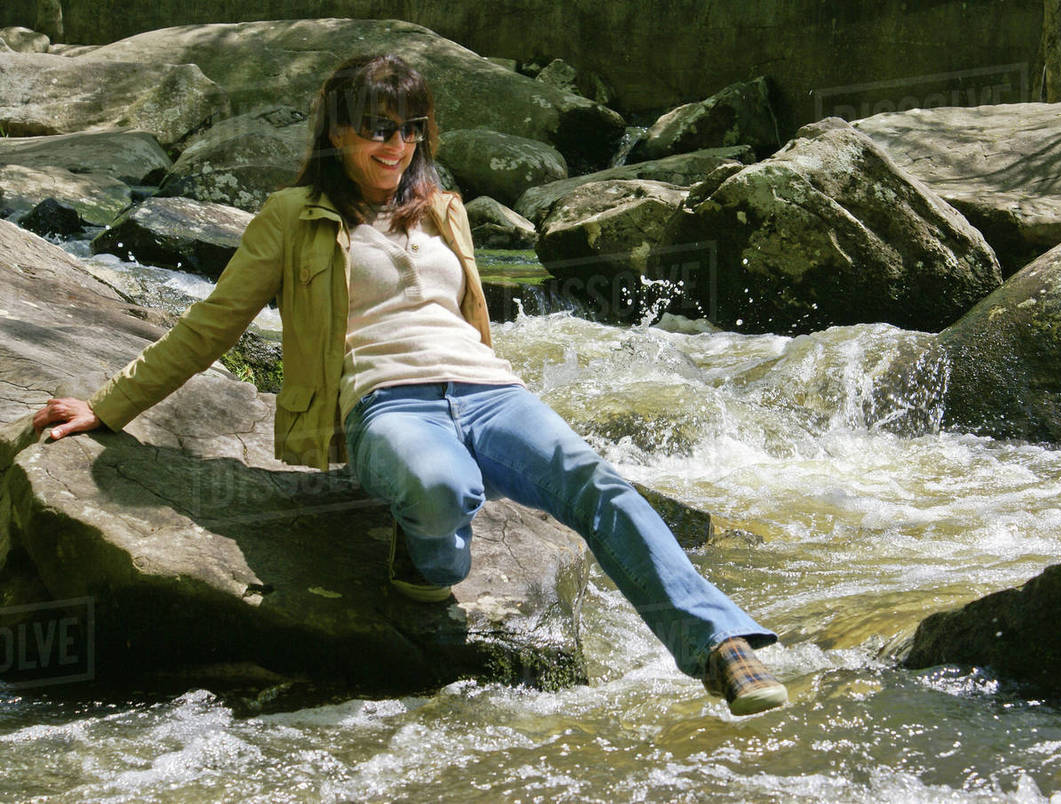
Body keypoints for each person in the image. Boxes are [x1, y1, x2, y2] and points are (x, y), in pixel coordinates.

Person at [31, 54, 788, 716]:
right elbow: (212, 324)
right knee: (442, 489)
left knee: (597, 483)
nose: (397, 145)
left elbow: (468, 321)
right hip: (385, 403)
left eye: (410, 128)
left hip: (490, 392)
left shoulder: (444, 210)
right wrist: (108, 404)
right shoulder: (293, 217)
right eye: (378, 129)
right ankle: (425, 553)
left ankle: (718, 643)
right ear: (337, 133)